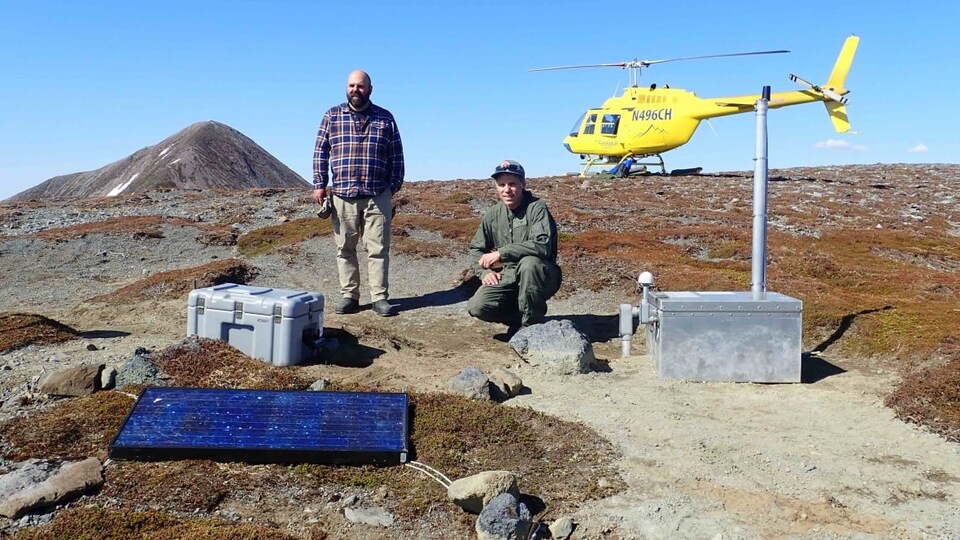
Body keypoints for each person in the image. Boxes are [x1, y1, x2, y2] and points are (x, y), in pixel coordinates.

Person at [312, 70, 404, 317]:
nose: (356, 90)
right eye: (352, 85)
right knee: (345, 248)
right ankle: (349, 296)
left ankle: (379, 298)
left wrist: (391, 188)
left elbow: (396, 155)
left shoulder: (385, 118)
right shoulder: (332, 116)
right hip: (342, 195)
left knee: (377, 249)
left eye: (361, 86)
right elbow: (321, 151)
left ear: (370, 89)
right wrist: (320, 183)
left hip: (377, 195)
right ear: (346, 88)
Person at [467, 160, 562, 329]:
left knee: (529, 264)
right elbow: (476, 248)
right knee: (477, 307)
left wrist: (501, 253)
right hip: (509, 275)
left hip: (542, 273)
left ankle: (532, 326)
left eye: (512, 184)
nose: (506, 190)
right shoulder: (493, 214)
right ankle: (518, 317)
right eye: (501, 185)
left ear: (523, 184)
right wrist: (484, 272)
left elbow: (541, 245)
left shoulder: (536, 208)